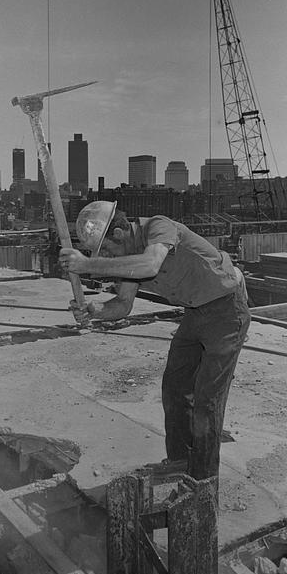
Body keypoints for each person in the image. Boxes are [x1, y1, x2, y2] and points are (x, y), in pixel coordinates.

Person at [58, 201, 250, 481]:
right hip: (195, 313)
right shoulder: (130, 260)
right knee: (174, 389)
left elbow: (150, 264)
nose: (108, 258)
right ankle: (179, 462)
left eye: (108, 250)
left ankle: (203, 479)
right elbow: (123, 305)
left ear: (121, 233)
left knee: (207, 401)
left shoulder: (158, 227)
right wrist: (94, 311)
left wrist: (87, 264)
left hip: (226, 311)